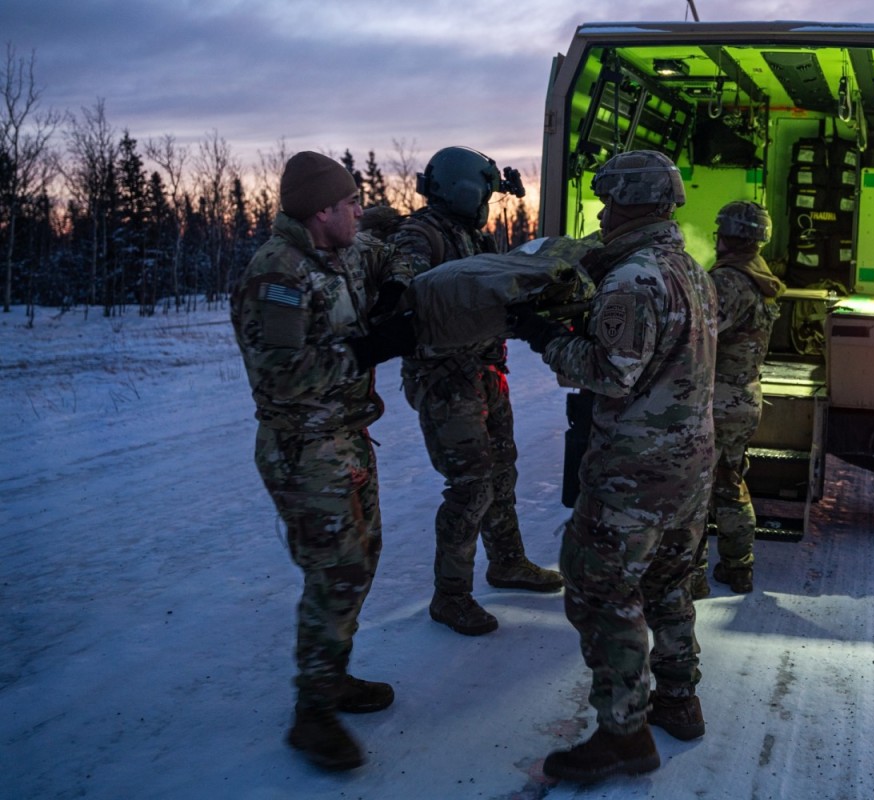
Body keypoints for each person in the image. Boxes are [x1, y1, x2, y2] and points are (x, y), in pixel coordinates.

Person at [509, 150, 718, 782]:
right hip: (688, 469)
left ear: (631, 200)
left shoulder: (634, 277)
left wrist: (546, 338)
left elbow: (610, 371)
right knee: (668, 584)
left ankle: (623, 733)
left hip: (635, 474)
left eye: (609, 198)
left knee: (599, 589)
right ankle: (679, 700)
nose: (601, 210)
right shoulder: (690, 268)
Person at [230, 151, 417, 772]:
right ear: (320, 212)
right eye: (350, 205)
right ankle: (313, 712)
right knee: (334, 571)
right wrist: (370, 348)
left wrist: (392, 283)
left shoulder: (342, 248)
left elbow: (387, 243)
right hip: (303, 448)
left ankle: (331, 677)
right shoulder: (277, 275)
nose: (359, 211)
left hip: (346, 437)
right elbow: (283, 377)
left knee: (361, 560)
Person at [386, 146, 562, 637]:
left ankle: (507, 561)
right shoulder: (421, 234)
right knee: (471, 485)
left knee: (502, 469)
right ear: (465, 188)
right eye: (485, 190)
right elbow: (403, 283)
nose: (488, 199)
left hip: (484, 371)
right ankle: (451, 596)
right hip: (445, 381)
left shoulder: (471, 236)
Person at [689, 200, 785, 597]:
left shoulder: (728, 282)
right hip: (745, 397)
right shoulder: (760, 277)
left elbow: (699, 332)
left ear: (728, 234)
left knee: (693, 493)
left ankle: (690, 577)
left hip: (716, 400)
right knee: (730, 484)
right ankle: (738, 567)